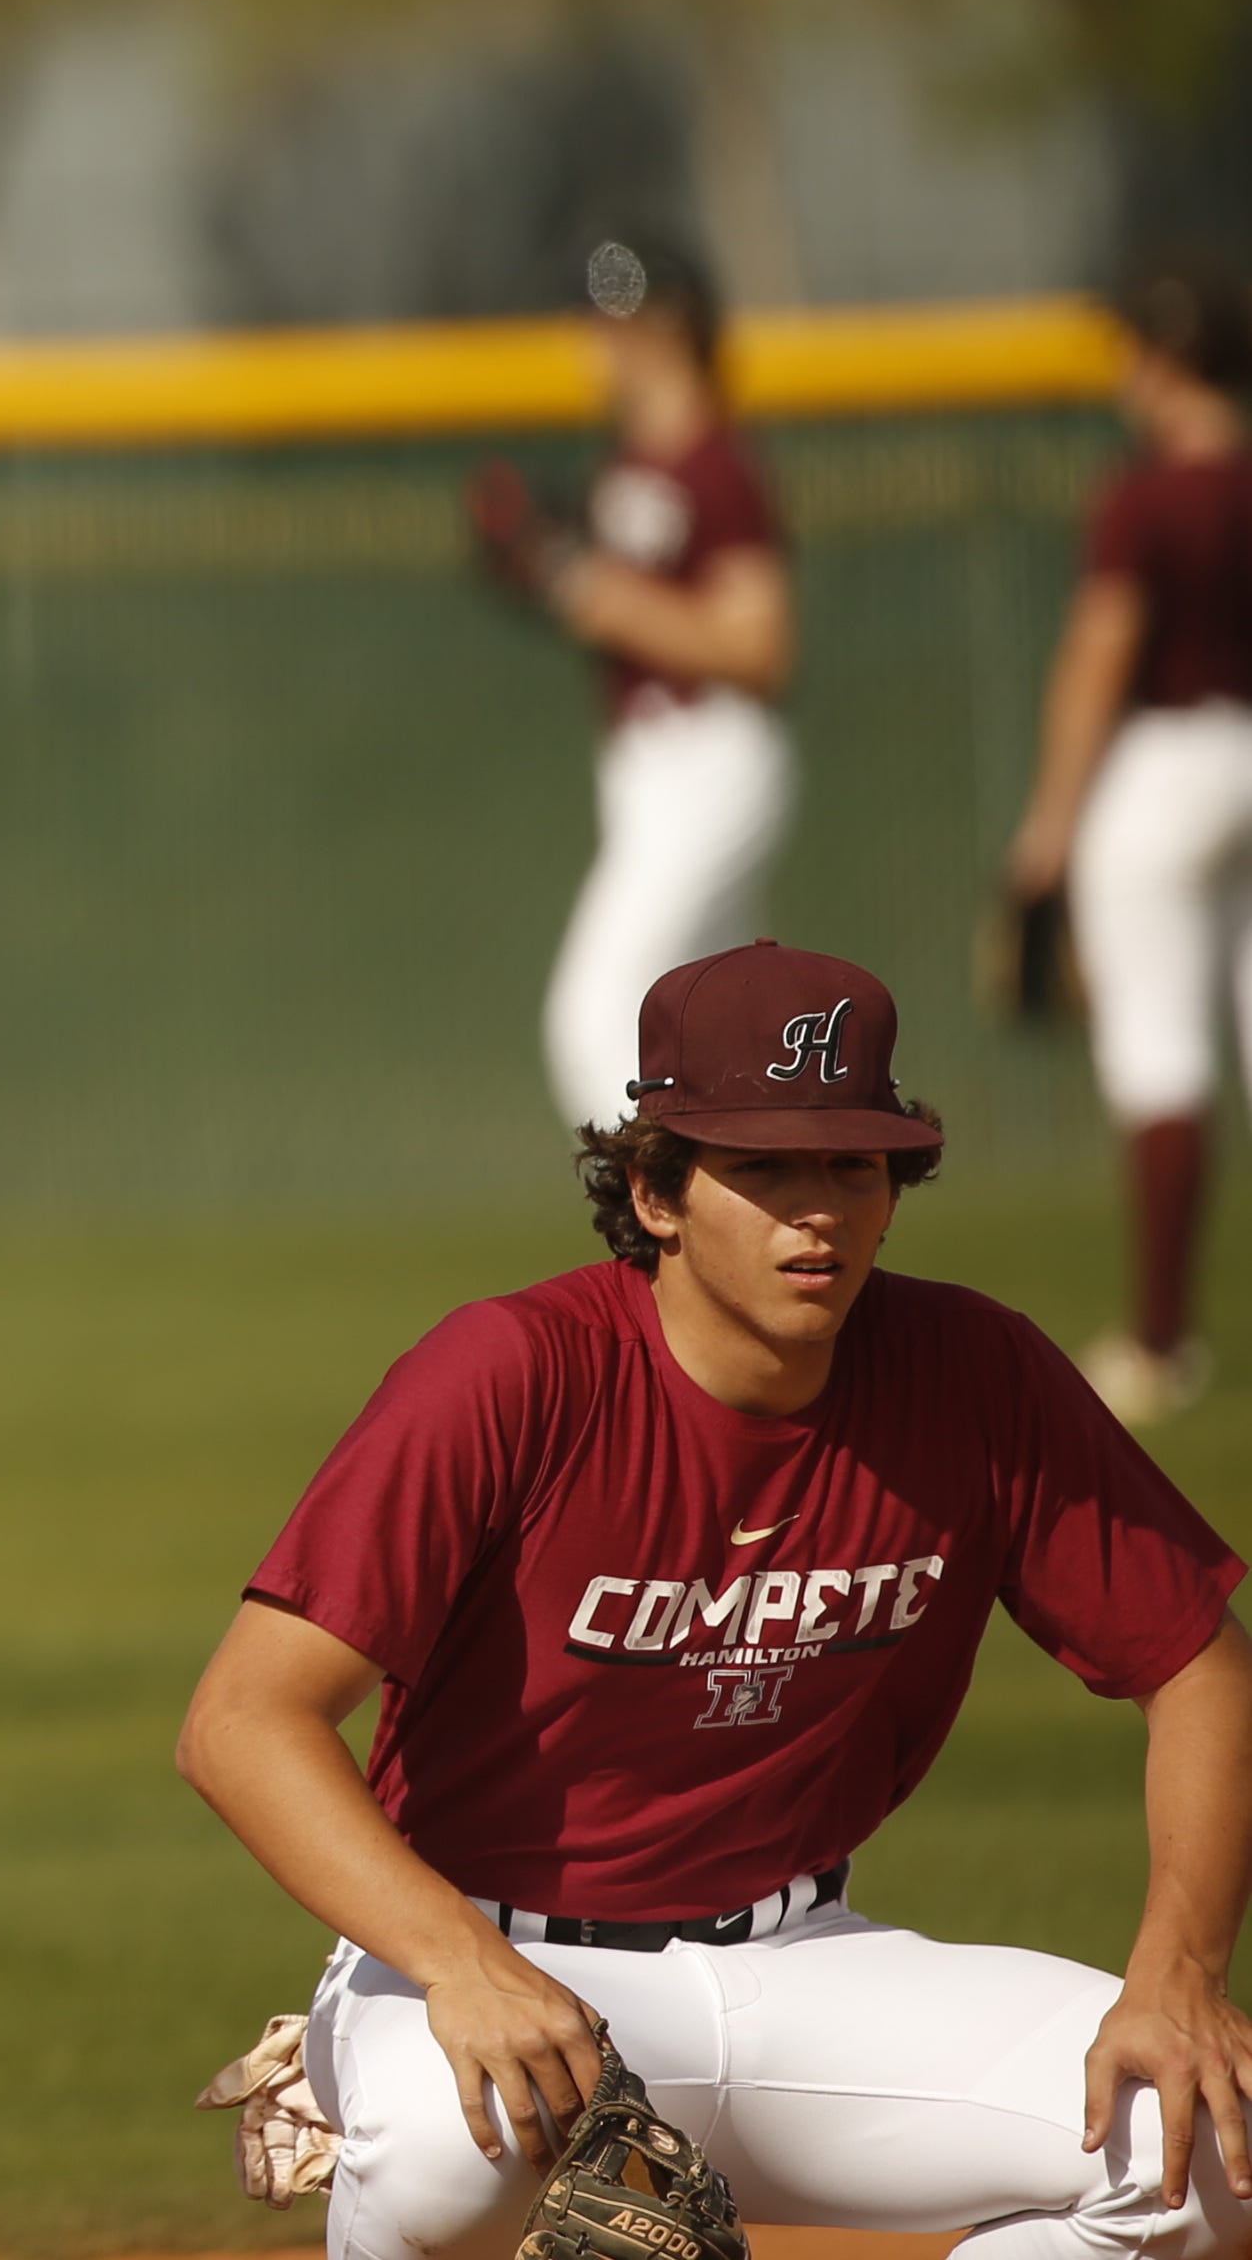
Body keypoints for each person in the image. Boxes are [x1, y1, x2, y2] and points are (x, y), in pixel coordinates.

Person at [176, 939, 1252, 2260]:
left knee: (1208, 2148)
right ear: (655, 1189)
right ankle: (376, 2090)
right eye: (765, 1168)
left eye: (853, 1166)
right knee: (460, 2150)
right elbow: (242, 1720)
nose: (819, 1213)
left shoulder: (974, 1372)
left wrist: (1179, 1975)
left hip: (807, 1960)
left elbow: (1200, 1665)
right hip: (484, 1952)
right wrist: (455, 1963)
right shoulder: (512, 1371)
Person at [1004, 261, 1252, 1428]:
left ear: (1164, 358)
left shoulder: (1144, 496)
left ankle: (1158, 1341)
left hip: (1162, 771)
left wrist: (1049, 824)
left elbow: (1099, 654)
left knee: (1159, 1054)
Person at [471, 243, 798, 1129]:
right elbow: (603, 599)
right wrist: (553, 573)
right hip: (642, 771)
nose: (591, 336)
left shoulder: (716, 465)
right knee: (717, 1040)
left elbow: (761, 647)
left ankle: (654, 1201)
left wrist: (596, 590)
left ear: (668, 326)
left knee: (597, 1011)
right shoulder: (623, 468)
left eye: (609, 314)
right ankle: (737, 1206)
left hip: (710, 753)